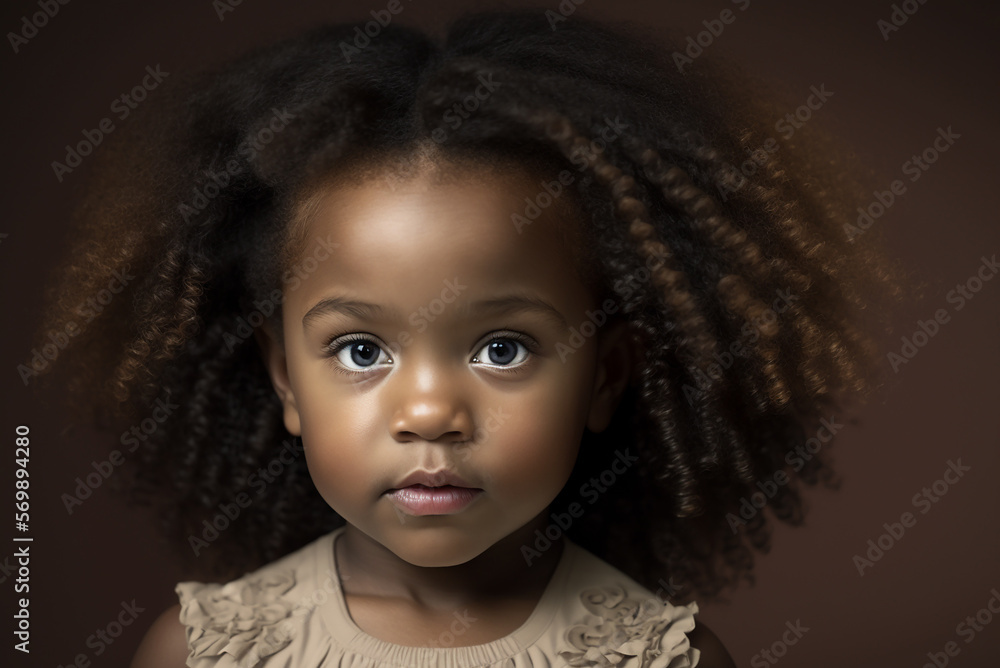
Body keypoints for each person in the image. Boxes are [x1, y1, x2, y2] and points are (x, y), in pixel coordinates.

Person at [29, 8, 905, 668]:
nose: (430, 411)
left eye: (503, 349)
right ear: (284, 379)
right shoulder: (203, 653)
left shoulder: (664, 659)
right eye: (361, 351)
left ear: (606, 376)